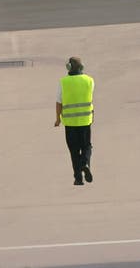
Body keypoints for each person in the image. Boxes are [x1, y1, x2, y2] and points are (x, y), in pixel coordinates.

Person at [54, 56, 94, 185]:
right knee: (87, 146)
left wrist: (57, 119)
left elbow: (59, 103)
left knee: (74, 150)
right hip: (85, 121)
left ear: (68, 67)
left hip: (70, 123)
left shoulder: (63, 82)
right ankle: (85, 164)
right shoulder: (89, 81)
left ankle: (78, 178)